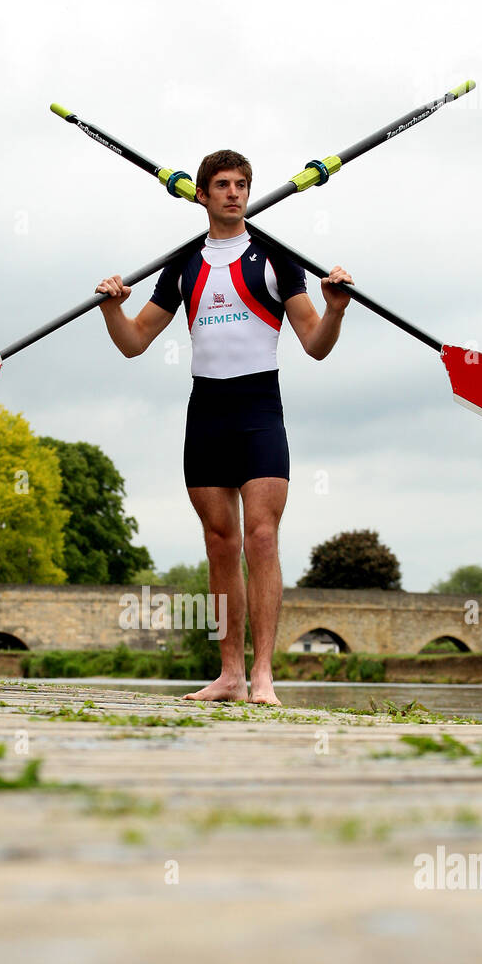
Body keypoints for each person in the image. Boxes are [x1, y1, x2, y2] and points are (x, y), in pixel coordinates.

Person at [96, 149, 352, 705]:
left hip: (260, 411)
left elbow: (315, 345)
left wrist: (334, 309)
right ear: (202, 195)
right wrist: (112, 308)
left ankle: (263, 677)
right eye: (222, 185)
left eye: (241, 185)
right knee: (220, 543)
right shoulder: (184, 264)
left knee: (261, 537)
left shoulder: (280, 258)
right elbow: (135, 342)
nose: (233, 193)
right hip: (206, 412)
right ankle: (230, 674)